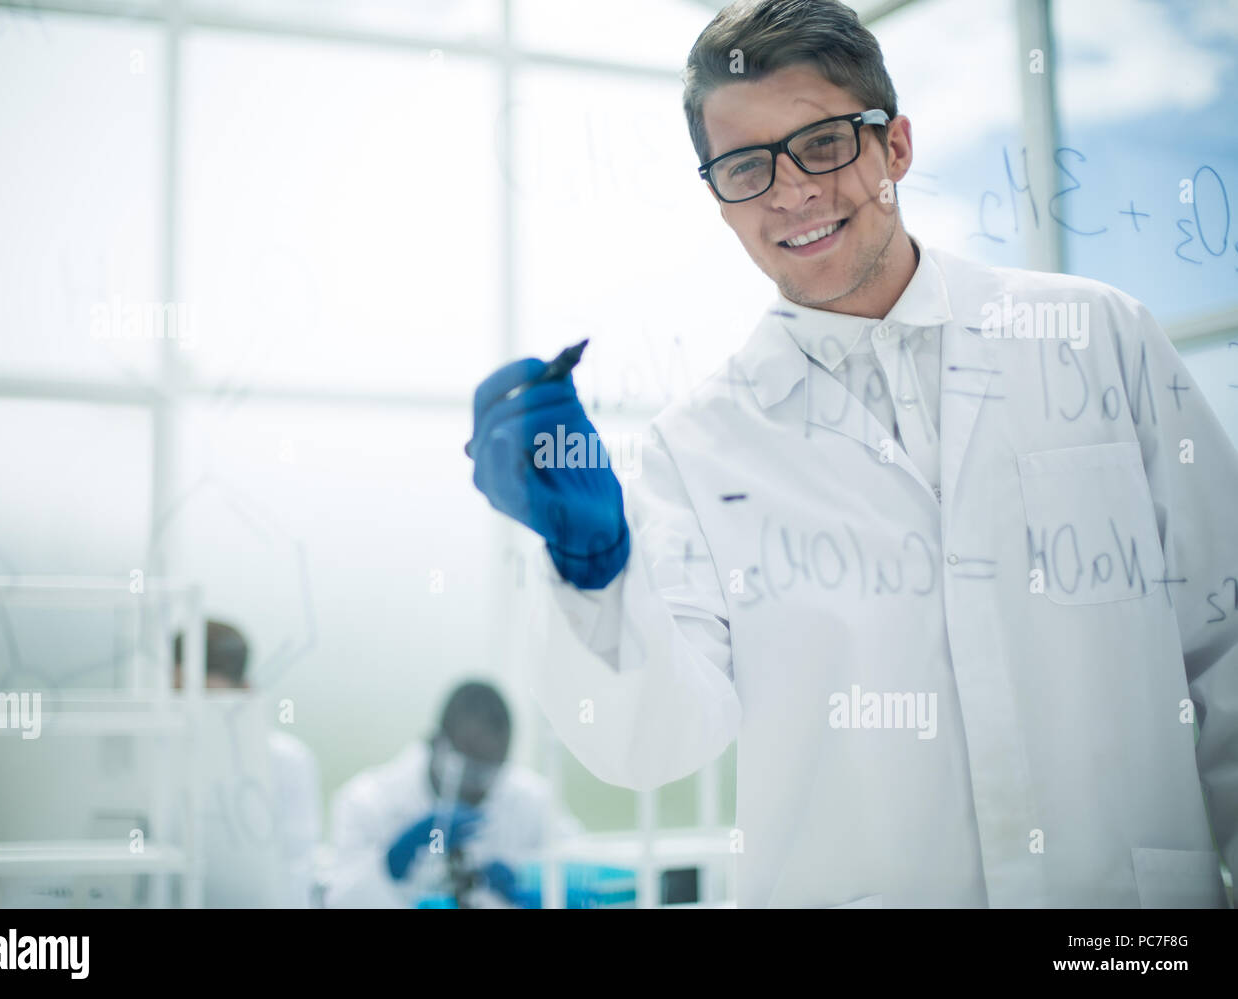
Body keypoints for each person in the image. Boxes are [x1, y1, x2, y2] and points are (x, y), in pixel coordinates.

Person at [468, 0, 1238, 908]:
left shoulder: (1097, 335)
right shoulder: (701, 447)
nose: (791, 191)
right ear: (718, 196)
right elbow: (657, 739)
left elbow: (1223, 647)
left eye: (823, 143)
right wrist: (594, 566)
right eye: (746, 165)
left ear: (896, 146)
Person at [327, 681, 581, 908]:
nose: (480, 787)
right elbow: (338, 901)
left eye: (491, 772)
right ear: (436, 743)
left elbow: (580, 867)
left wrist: (528, 882)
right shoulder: (368, 801)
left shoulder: (530, 799)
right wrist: (392, 863)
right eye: (469, 771)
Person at [173, 621, 322, 907]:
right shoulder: (148, 754)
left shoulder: (286, 761)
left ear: (245, 692)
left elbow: (295, 874)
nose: (193, 717)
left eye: (208, 700)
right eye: (178, 696)